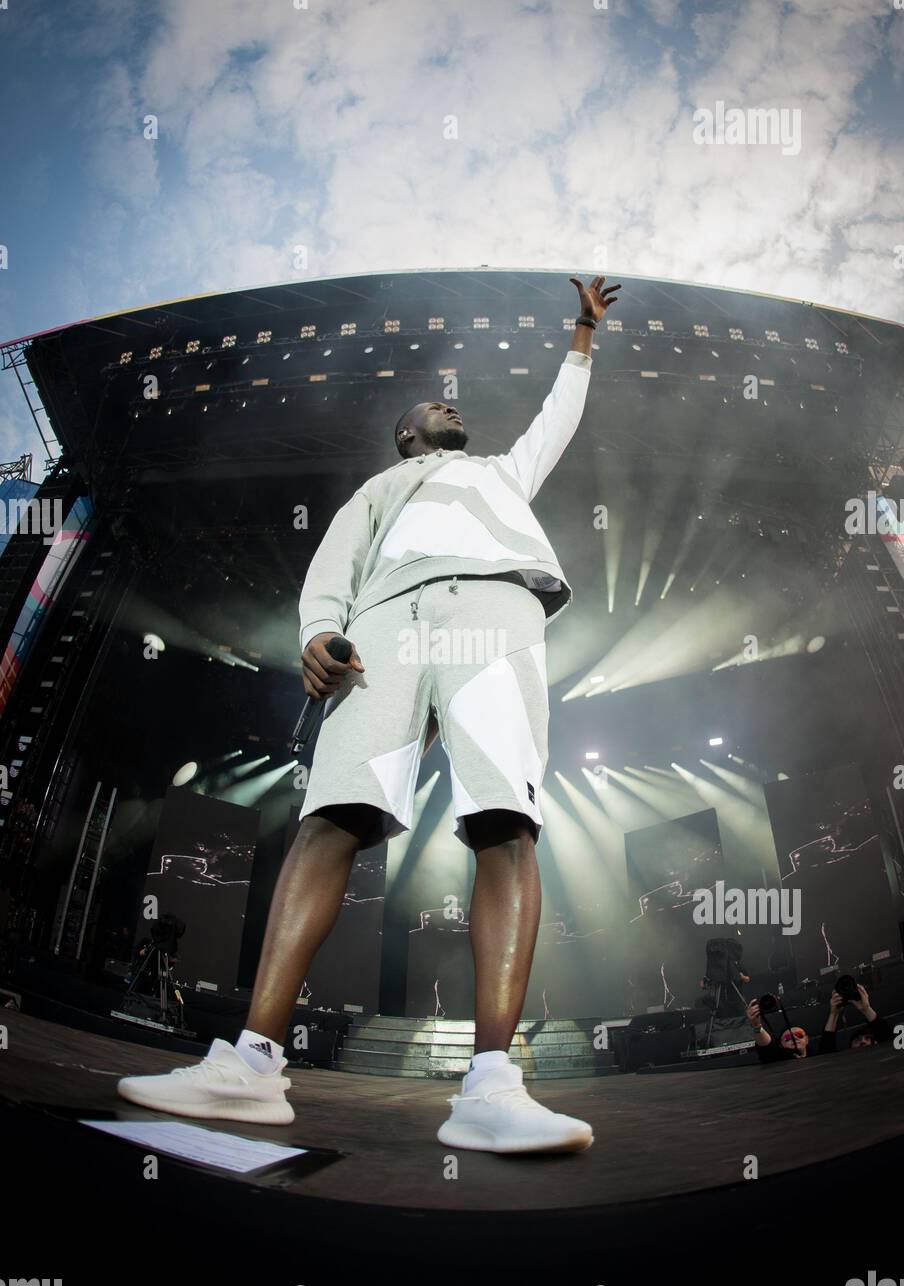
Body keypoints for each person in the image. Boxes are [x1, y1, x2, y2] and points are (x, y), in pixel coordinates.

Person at [117, 274, 621, 1155]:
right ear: (406, 436)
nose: (449, 408)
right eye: (433, 405)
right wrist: (319, 631)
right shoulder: (379, 493)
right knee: (331, 820)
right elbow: (334, 566)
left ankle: (492, 1085)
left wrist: (582, 334)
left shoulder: (502, 473)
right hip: (385, 626)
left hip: (495, 614)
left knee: (505, 819)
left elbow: (558, 416)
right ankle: (253, 1067)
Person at [746, 984, 893, 1063]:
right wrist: (757, 1026)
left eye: (798, 1035)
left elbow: (827, 1043)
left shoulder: (818, 1058)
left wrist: (865, 1009)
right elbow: (767, 1050)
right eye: (788, 1038)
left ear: (807, 1039)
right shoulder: (777, 1060)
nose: (794, 1038)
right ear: (781, 1044)